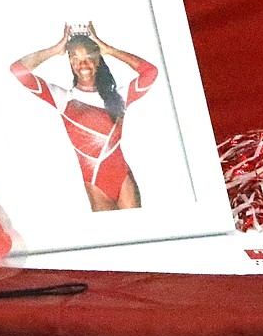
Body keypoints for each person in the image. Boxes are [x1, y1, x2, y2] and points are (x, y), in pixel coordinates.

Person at [10, 24, 161, 212]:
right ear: (71, 63)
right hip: (95, 186)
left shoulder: (118, 97)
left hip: (124, 181)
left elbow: (151, 72)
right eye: (76, 58)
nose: (83, 65)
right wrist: (56, 50)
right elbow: (18, 70)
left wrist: (109, 50)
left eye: (89, 57)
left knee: (142, 237)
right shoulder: (63, 99)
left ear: (98, 61)